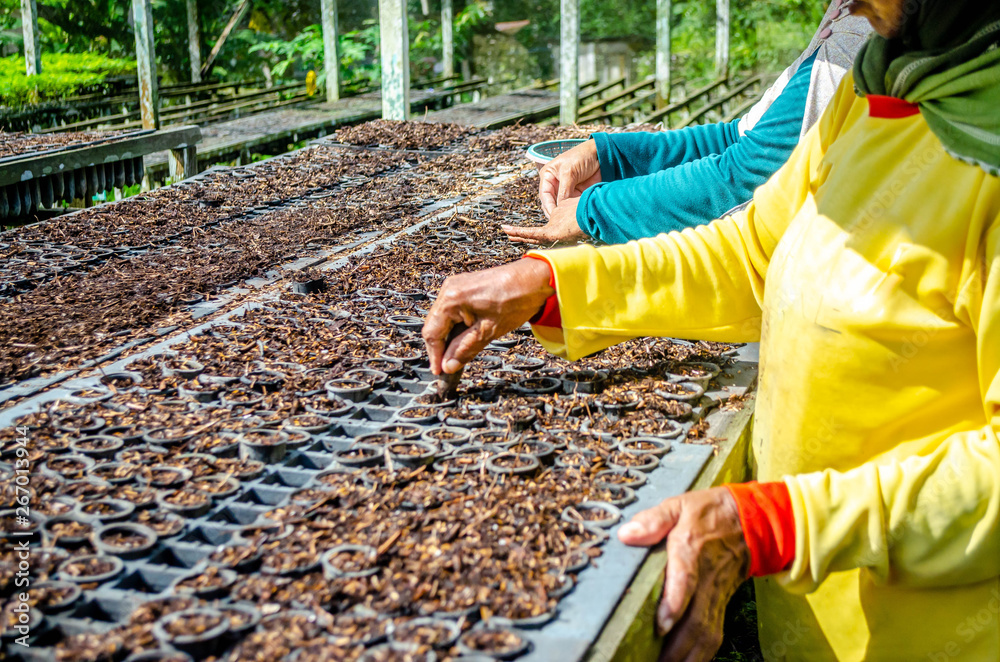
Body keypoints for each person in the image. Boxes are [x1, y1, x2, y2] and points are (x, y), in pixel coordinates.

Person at [423, 0, 1000, 659]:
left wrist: (776, 525)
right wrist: (555, 286)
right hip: (819, 624)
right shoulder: (879, 92)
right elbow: (754, 253)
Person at [503, 0, 872, 246]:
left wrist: (595, 210)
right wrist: (611, 155)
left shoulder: (870, 28)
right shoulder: (847, 13)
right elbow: (742, 137)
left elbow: (752, 178)